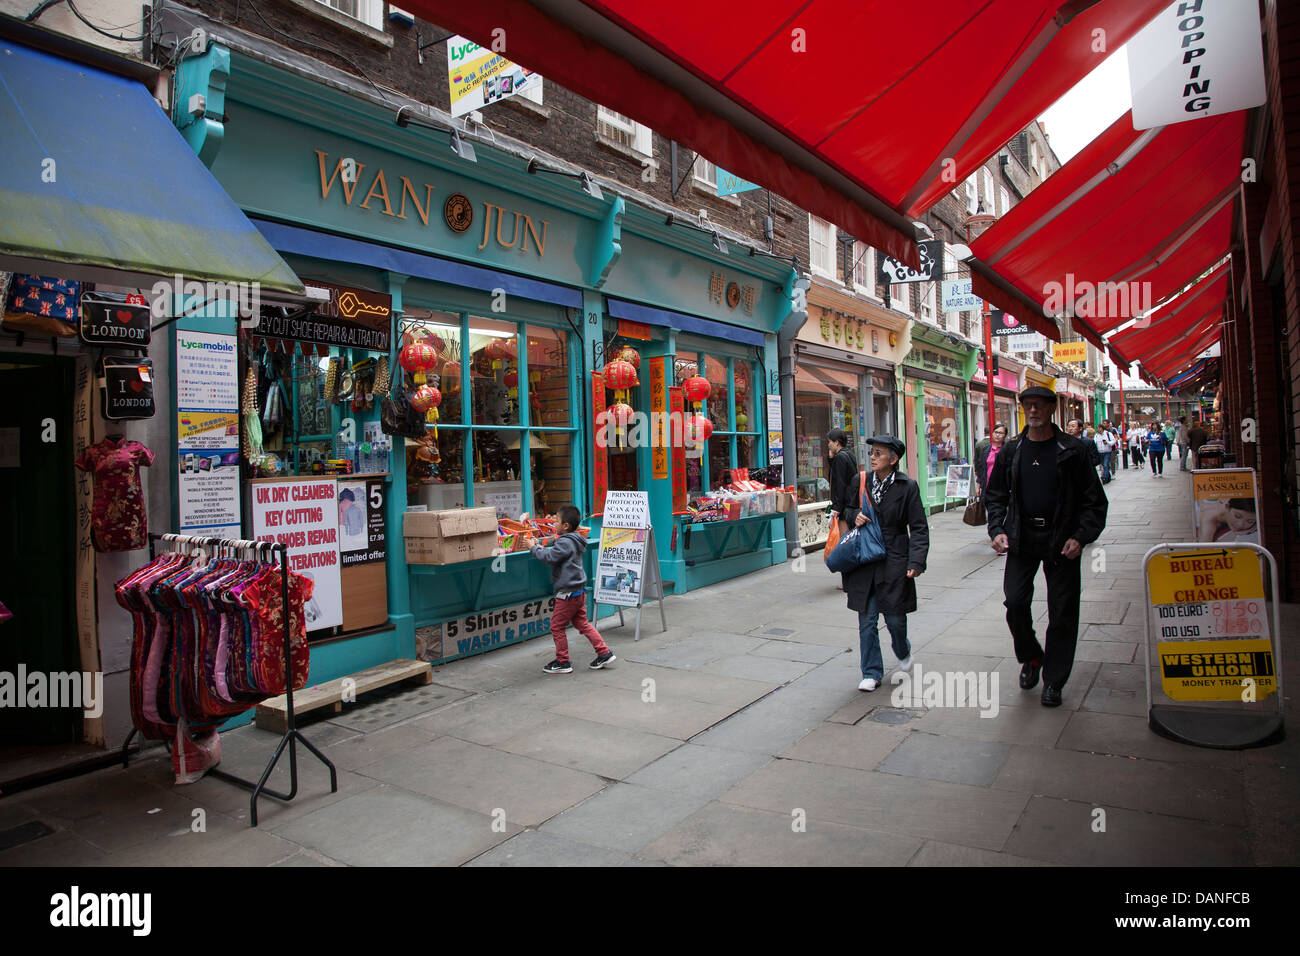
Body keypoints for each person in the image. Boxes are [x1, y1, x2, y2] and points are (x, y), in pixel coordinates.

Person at [985, 387, 1108, 707]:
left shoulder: (1072, 450)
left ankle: (1054, 680)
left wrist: (1080, 536)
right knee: (1015, 602)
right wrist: (997, 528)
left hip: (1061, 541)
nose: (1033, 410)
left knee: (1063, 611)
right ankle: (1032, 656)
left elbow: (1094, 501)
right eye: (1028, 405)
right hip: (1022, 538)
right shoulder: (1013, 450)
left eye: (1039, 405)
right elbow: (995, 495)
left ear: (1053, 409)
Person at [843, 435, 929, 691]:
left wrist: (916, 560)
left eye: (878, 453)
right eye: (872, 452)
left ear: (893, 459)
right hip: (865, 559)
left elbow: (919, 527)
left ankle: (902, 649)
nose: (872, 457)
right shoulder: (860, 481)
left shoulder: (907, 486)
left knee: (894, 619)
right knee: (867, 620)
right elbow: (846, 509)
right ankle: (871, 672)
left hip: (894, 557)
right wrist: (855, 515)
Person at [530, 505, 615, 673]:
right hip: (578, 591)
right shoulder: (574, 539)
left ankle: (563, 661)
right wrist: (545, 543)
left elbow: (550, 557)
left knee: (556, 626)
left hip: (567, 594)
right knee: (583, 624)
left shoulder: (565, 542)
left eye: (556, 521)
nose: (554, 524)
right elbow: (558, 550)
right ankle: (604, 652)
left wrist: (533, 548)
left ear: (566, 526)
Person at [826, 427, 859, 589]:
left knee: (844, 544)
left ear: (837, 442)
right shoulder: (849, 454)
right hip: (851, 504)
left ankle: (849, 582)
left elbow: (839, 483)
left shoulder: (840, 458)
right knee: (848, 542)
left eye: (830, 442)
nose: (828, 445)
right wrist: (831, 457)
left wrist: (836, 508)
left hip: (844, 507)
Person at [974, 424, 1008, 502]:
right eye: (996, 432)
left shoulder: (1007, 450)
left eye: (1000, 433)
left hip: (1002, 490)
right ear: (992, 433)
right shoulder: (986, 450)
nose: (997, 435)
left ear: (1005, 435)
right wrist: (978, 487)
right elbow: (981, 470)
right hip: (987, 488)